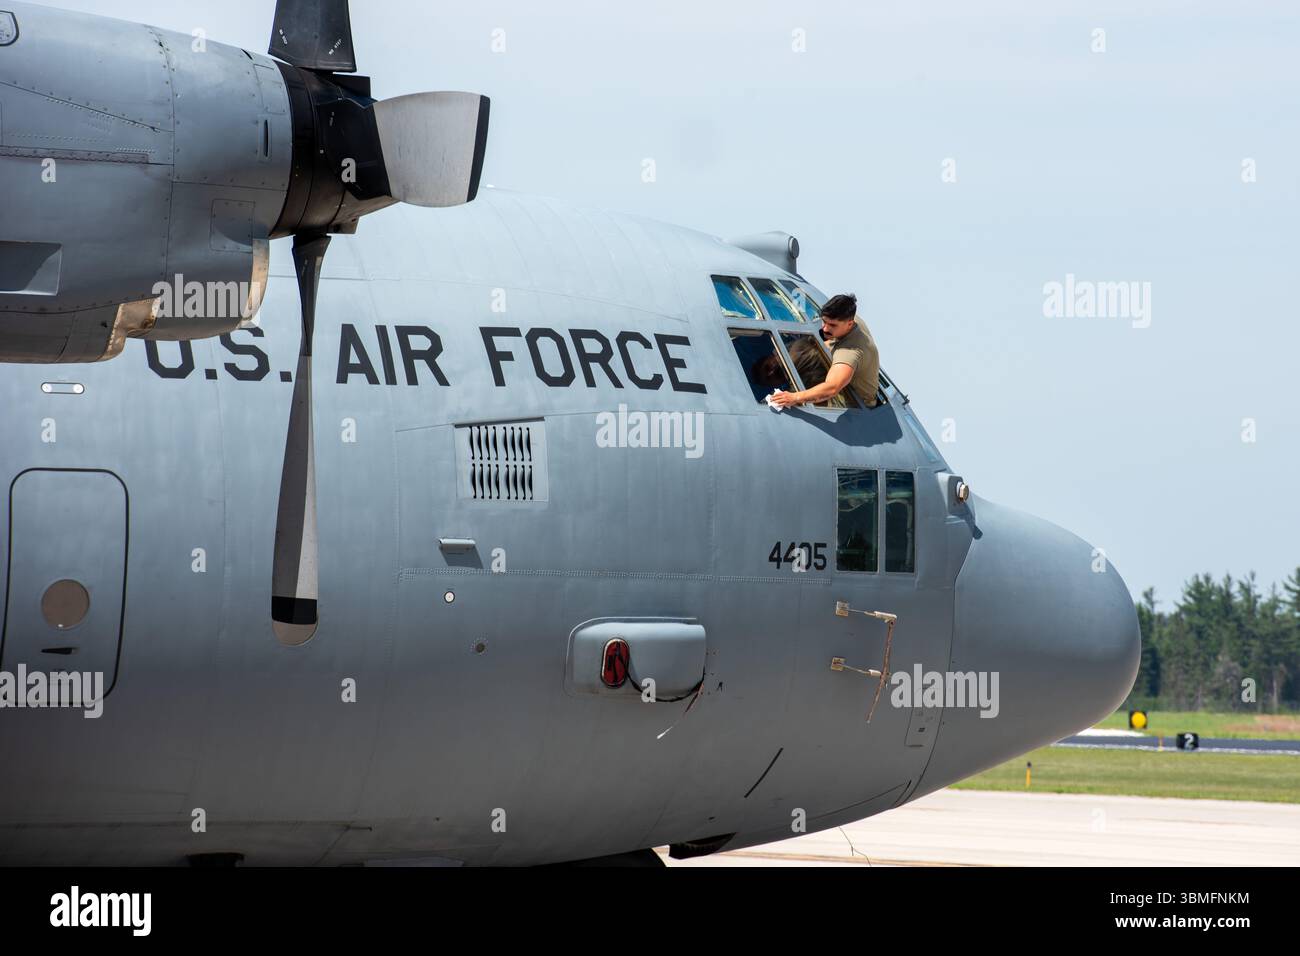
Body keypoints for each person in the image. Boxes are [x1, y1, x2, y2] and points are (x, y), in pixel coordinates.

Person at [769, 293, 879, 408]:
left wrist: (794, 397)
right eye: (824, 321)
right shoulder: (850, 317)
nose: (825, 328)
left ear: (849, 324)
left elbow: (831, 388)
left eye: (832, 325)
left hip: (853, 406)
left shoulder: (849, 353)